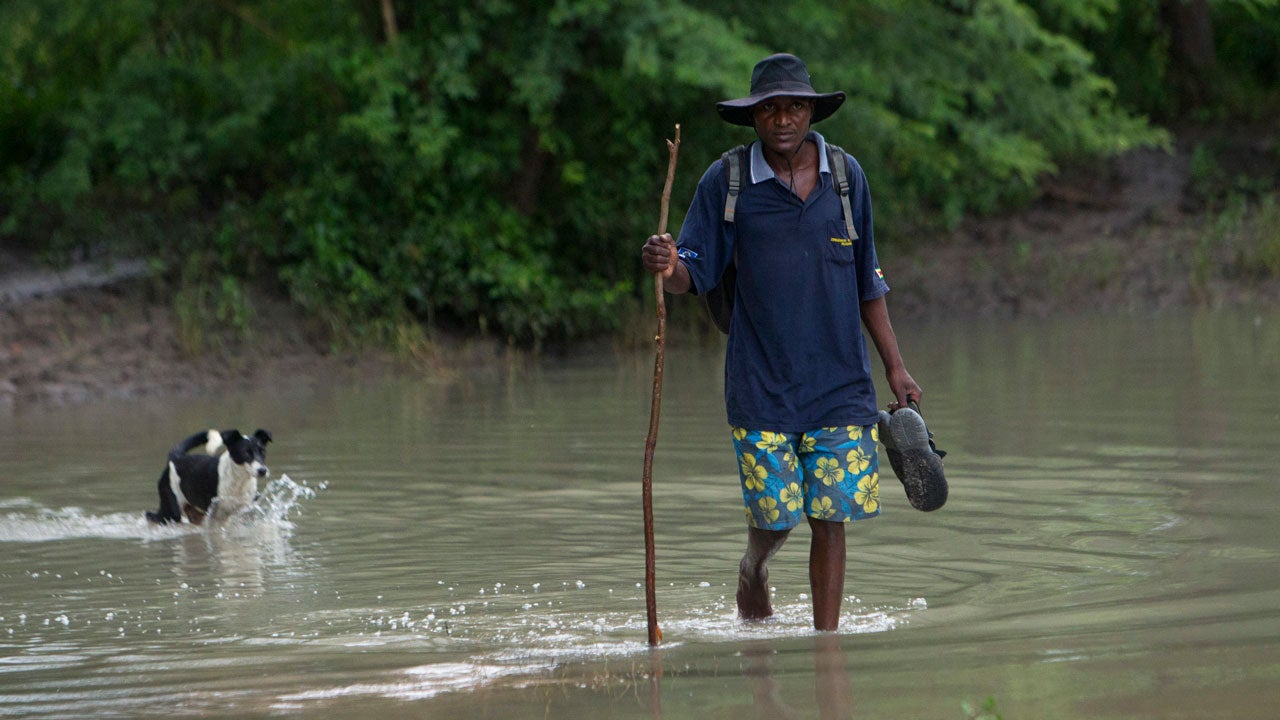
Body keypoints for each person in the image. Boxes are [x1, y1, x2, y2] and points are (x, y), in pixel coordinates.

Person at [641, 53, 922, 631]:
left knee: (830, 516)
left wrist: (896, 368)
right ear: (754, 118)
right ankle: (754, 565)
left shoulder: (846, 179)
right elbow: (693, 272)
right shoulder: (728, 181)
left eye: (795, 106)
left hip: (841, 383)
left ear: (811, 112)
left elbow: (868, 280)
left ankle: (827, 647)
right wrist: (666, 264)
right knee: (776, 519)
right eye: (770, 108)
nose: (784, 119)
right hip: (760, 383)